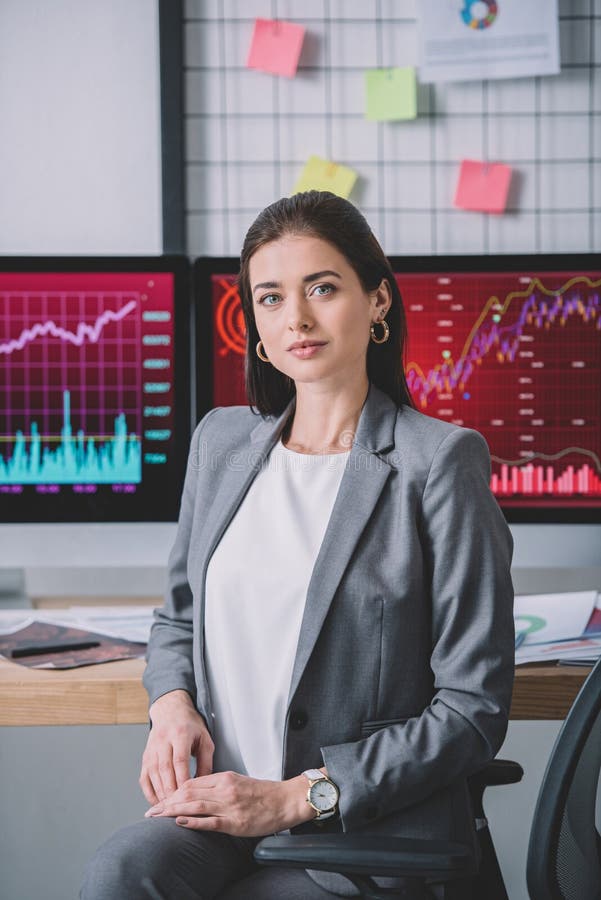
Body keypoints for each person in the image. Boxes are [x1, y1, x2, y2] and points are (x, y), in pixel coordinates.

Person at [81, 190, 514, 900]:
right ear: (252, 320)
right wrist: (171, 705)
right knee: (120, 872)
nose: (297, 319)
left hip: (356, 825)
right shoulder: (220, 443)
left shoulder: (439, 462)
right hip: (223, 811)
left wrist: (295, 797)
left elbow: (471, 711)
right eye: (271, 297)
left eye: (322, 288)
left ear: (377, 301)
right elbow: (176, 620)